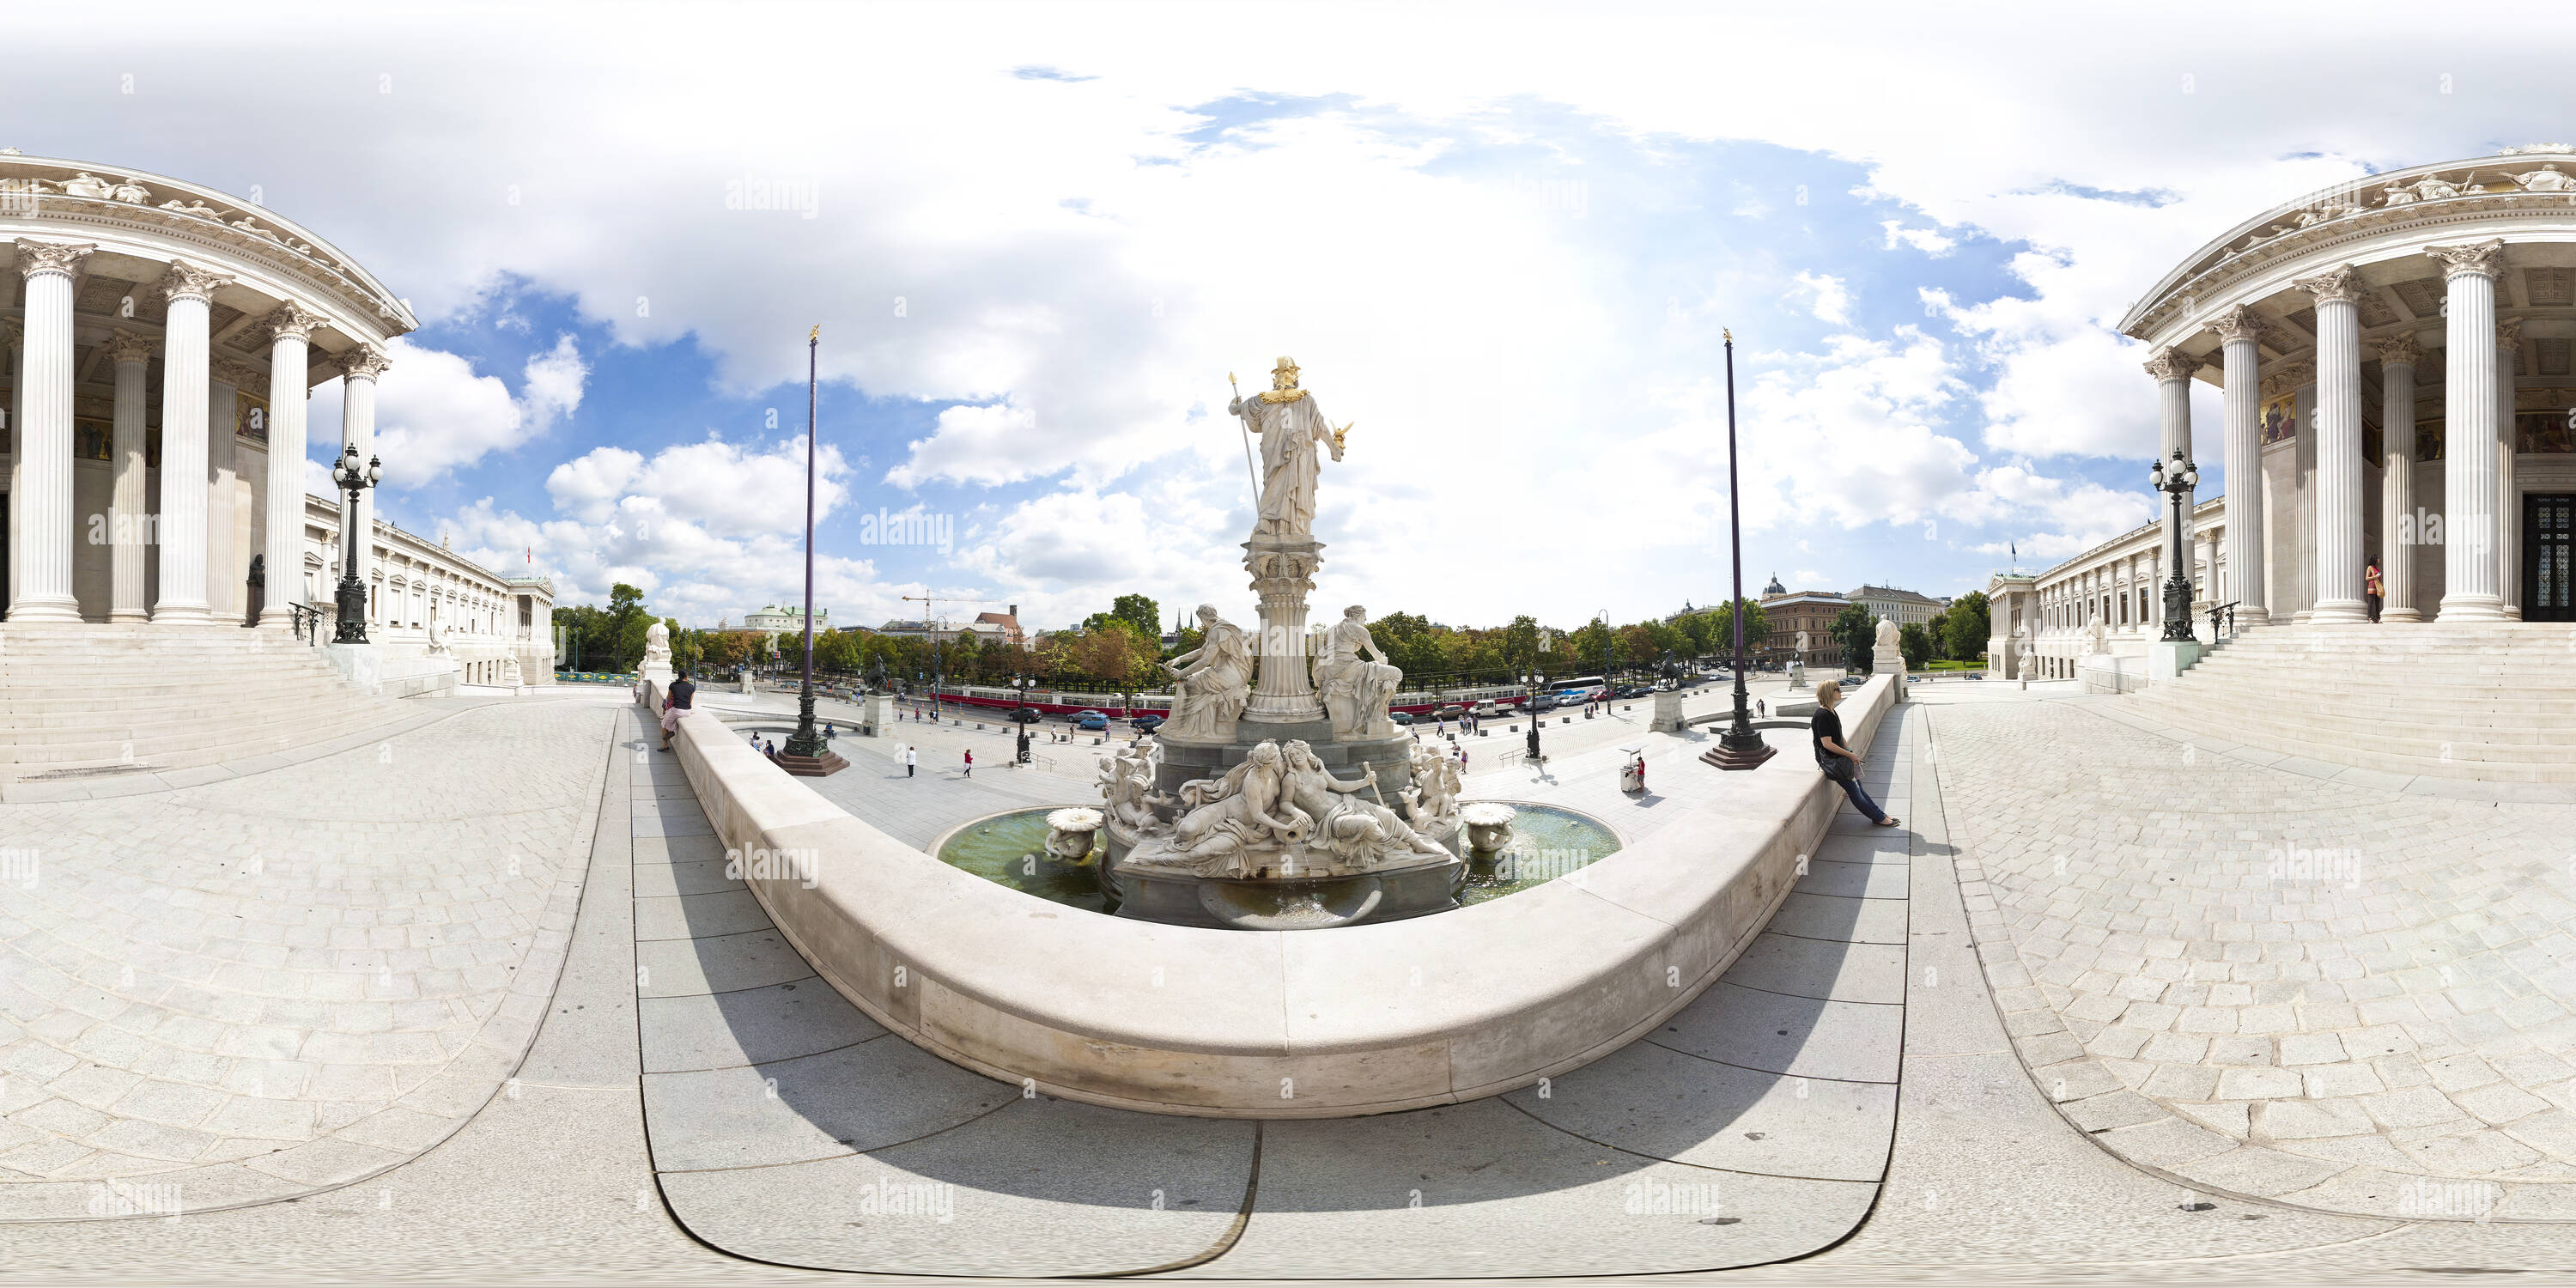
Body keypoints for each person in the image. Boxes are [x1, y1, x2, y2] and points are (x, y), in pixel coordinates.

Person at [1812, 680, 1899, 829]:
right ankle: (1878, 818)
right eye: (1837, 689)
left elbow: (1839, 736)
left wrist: (1850, 752)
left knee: (1859, 788)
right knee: (1854, 791)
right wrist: (1849, 755)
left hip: (1840, 757)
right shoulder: (1822, 715)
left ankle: (1880, 815)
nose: (1841, 691)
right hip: (1831, 761)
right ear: (1829, 693)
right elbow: (1827, 744)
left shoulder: (1831, 711)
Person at [657, 670, 696, 753]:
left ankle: (665, 745)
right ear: (686, 677)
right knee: (671, 718)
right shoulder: (692, 687)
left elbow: (667, 699)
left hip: (677, 710)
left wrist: (664, 708)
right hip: (687, 711)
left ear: (679, 676)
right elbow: (690, 702)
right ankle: (671, 731)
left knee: (663, 724)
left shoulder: (673, 685)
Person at [2365, 558, 2385, 623]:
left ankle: (2378, 618)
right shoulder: (2370, 567)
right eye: (2377, 558)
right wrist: (2375, 577)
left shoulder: (2377, 568)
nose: (2379, 559)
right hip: (2372, 586)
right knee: (2370, 603)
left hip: (2378, 587)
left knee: (2377, 603)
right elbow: (2367, 578)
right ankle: (2369, 618)